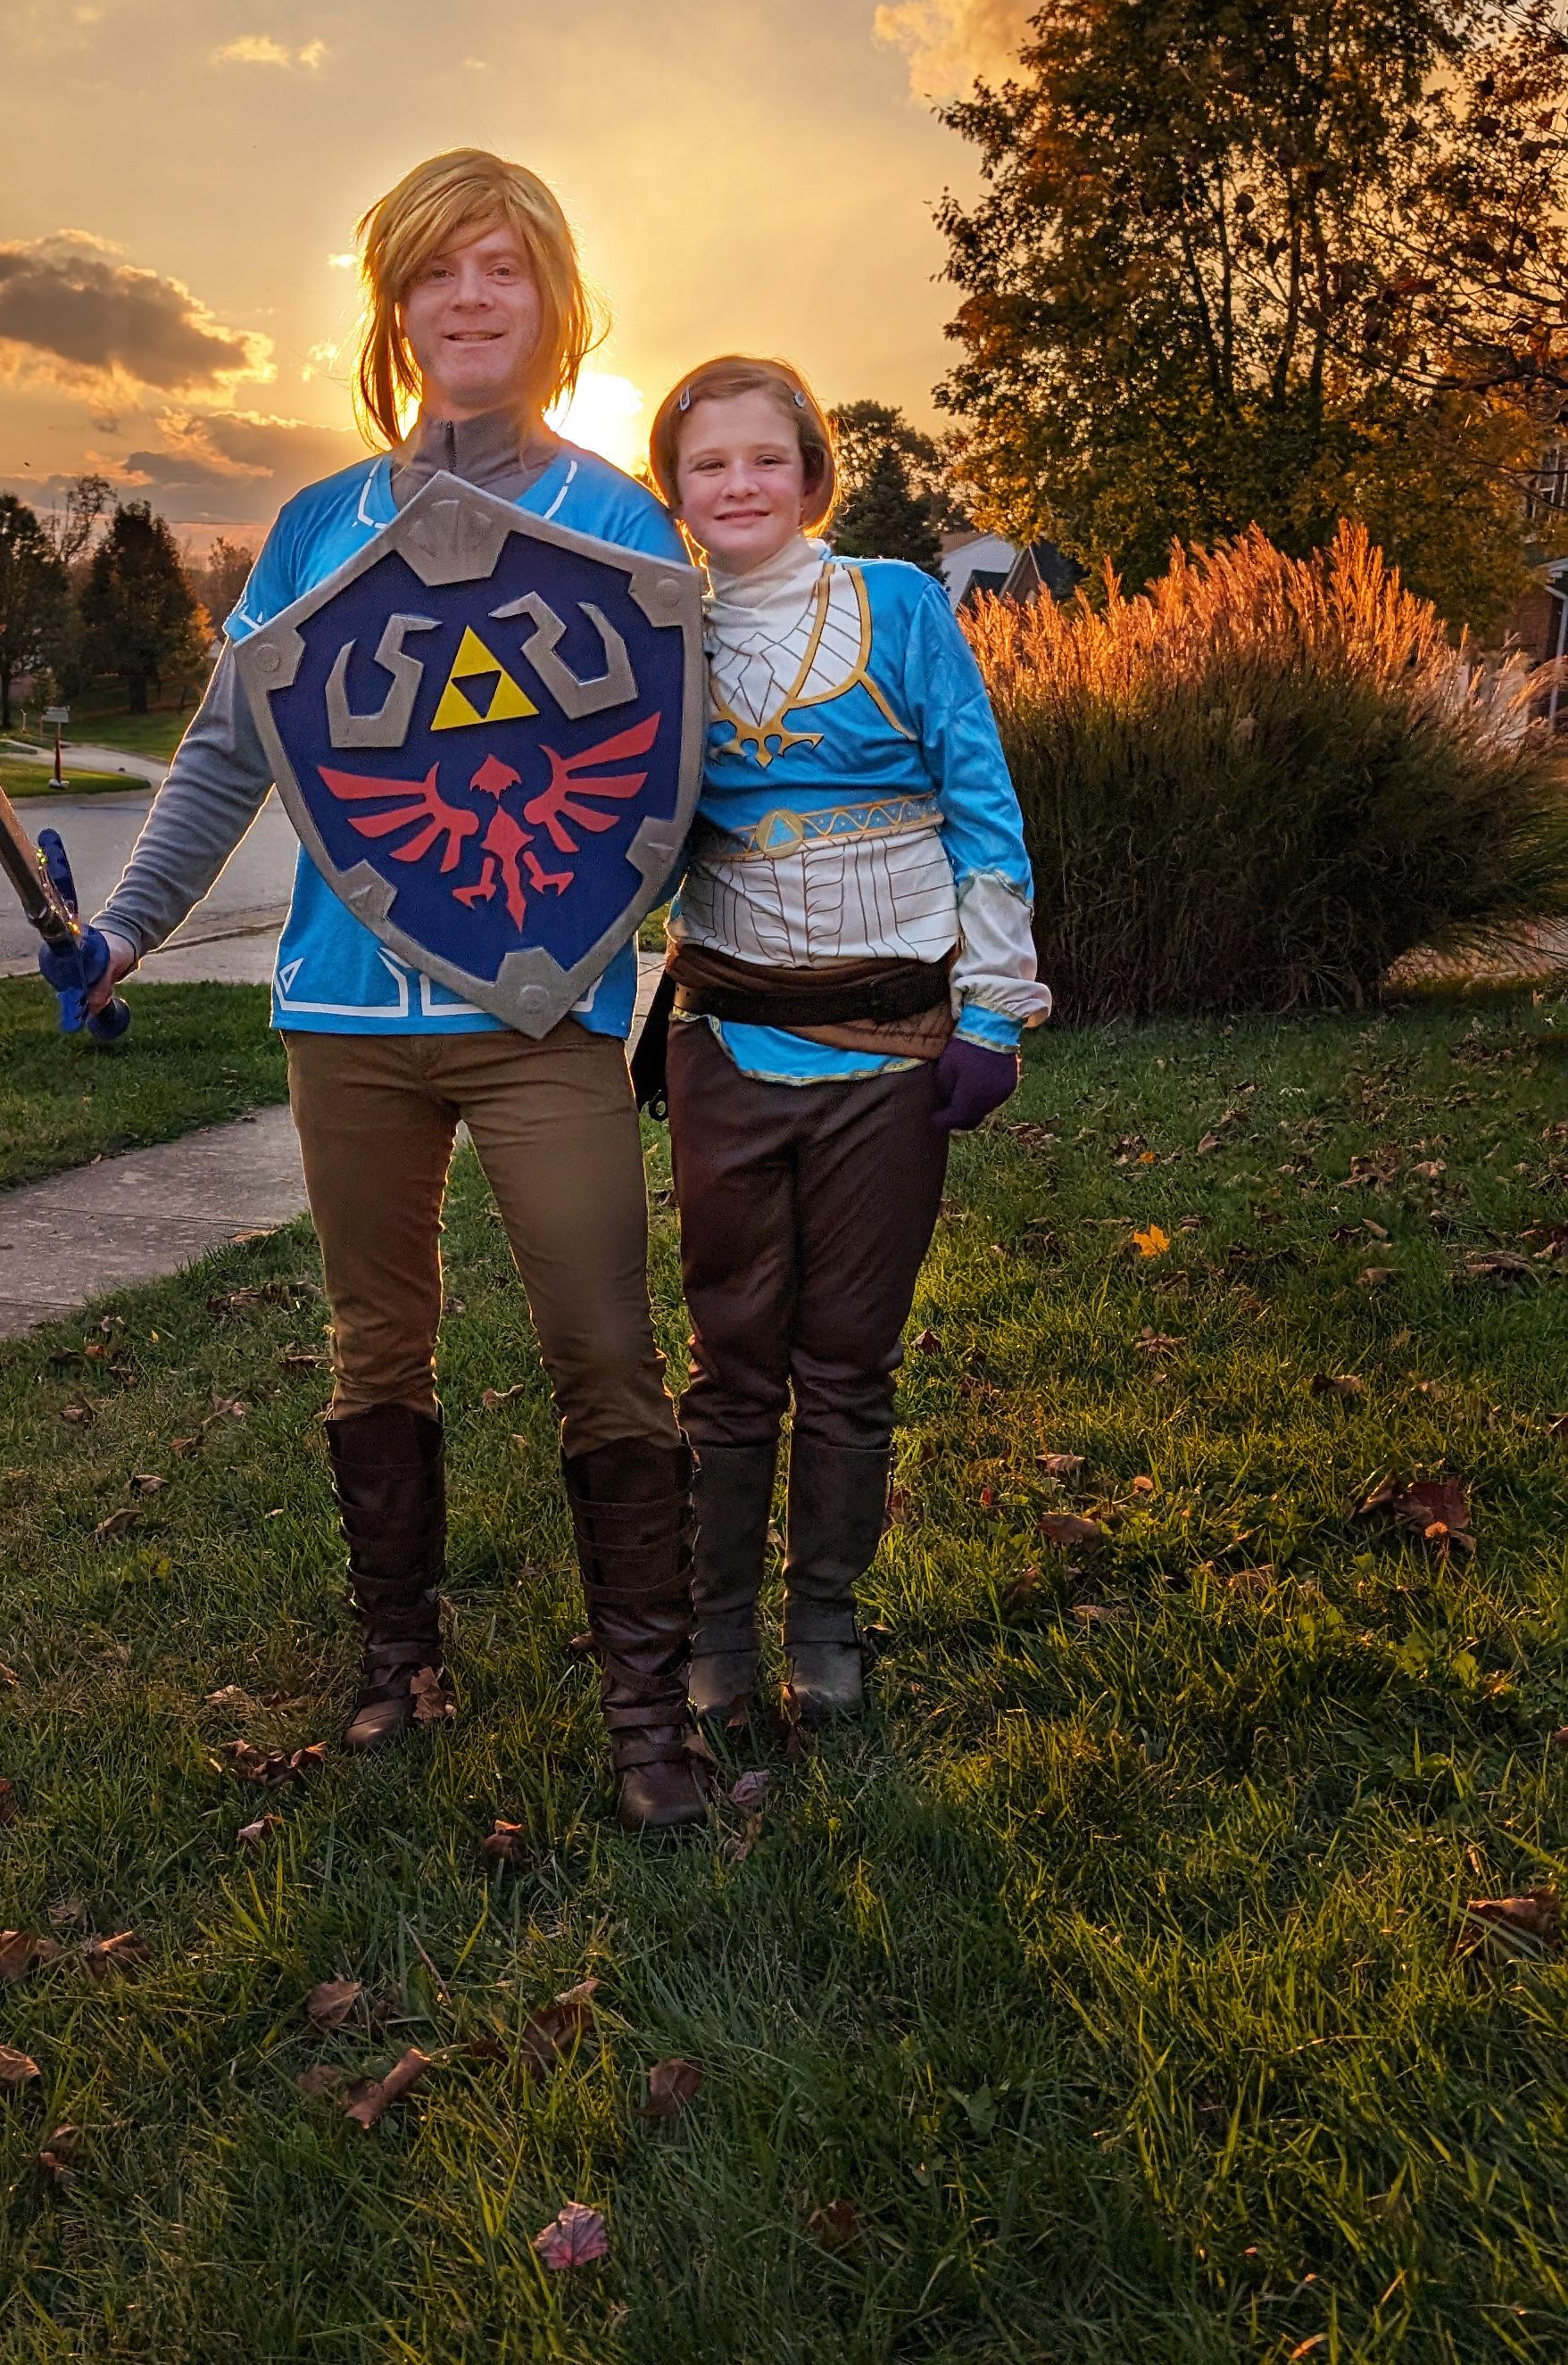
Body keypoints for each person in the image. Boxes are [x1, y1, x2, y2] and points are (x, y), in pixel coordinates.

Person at [68, 152, 711, 1832]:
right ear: (399, 310)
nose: (475, 298)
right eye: (443, 273)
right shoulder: (318, 528)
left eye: (505, 268)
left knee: (603, 1341)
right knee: (377, 1344)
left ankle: (648, 1714)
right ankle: (397, 1655)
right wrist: (125, 929)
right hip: (345, 1018)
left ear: (554, 302)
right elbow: (227, 757)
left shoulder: (621, 528)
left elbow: (685, 777)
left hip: (545, 1013)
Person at [638, 354, 1049, 1728]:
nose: (739, 484)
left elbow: (980, 800)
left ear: (813, 474)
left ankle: (825, 1619)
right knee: (733, 1350)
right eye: (709, 465)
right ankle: (715, 1630)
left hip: (892, 1050)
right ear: (675, 490)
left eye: (765, 459)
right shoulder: (657, 632)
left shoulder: (901, 603)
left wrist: (992, 1011)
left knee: (849, 1356)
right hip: (730, 1048)